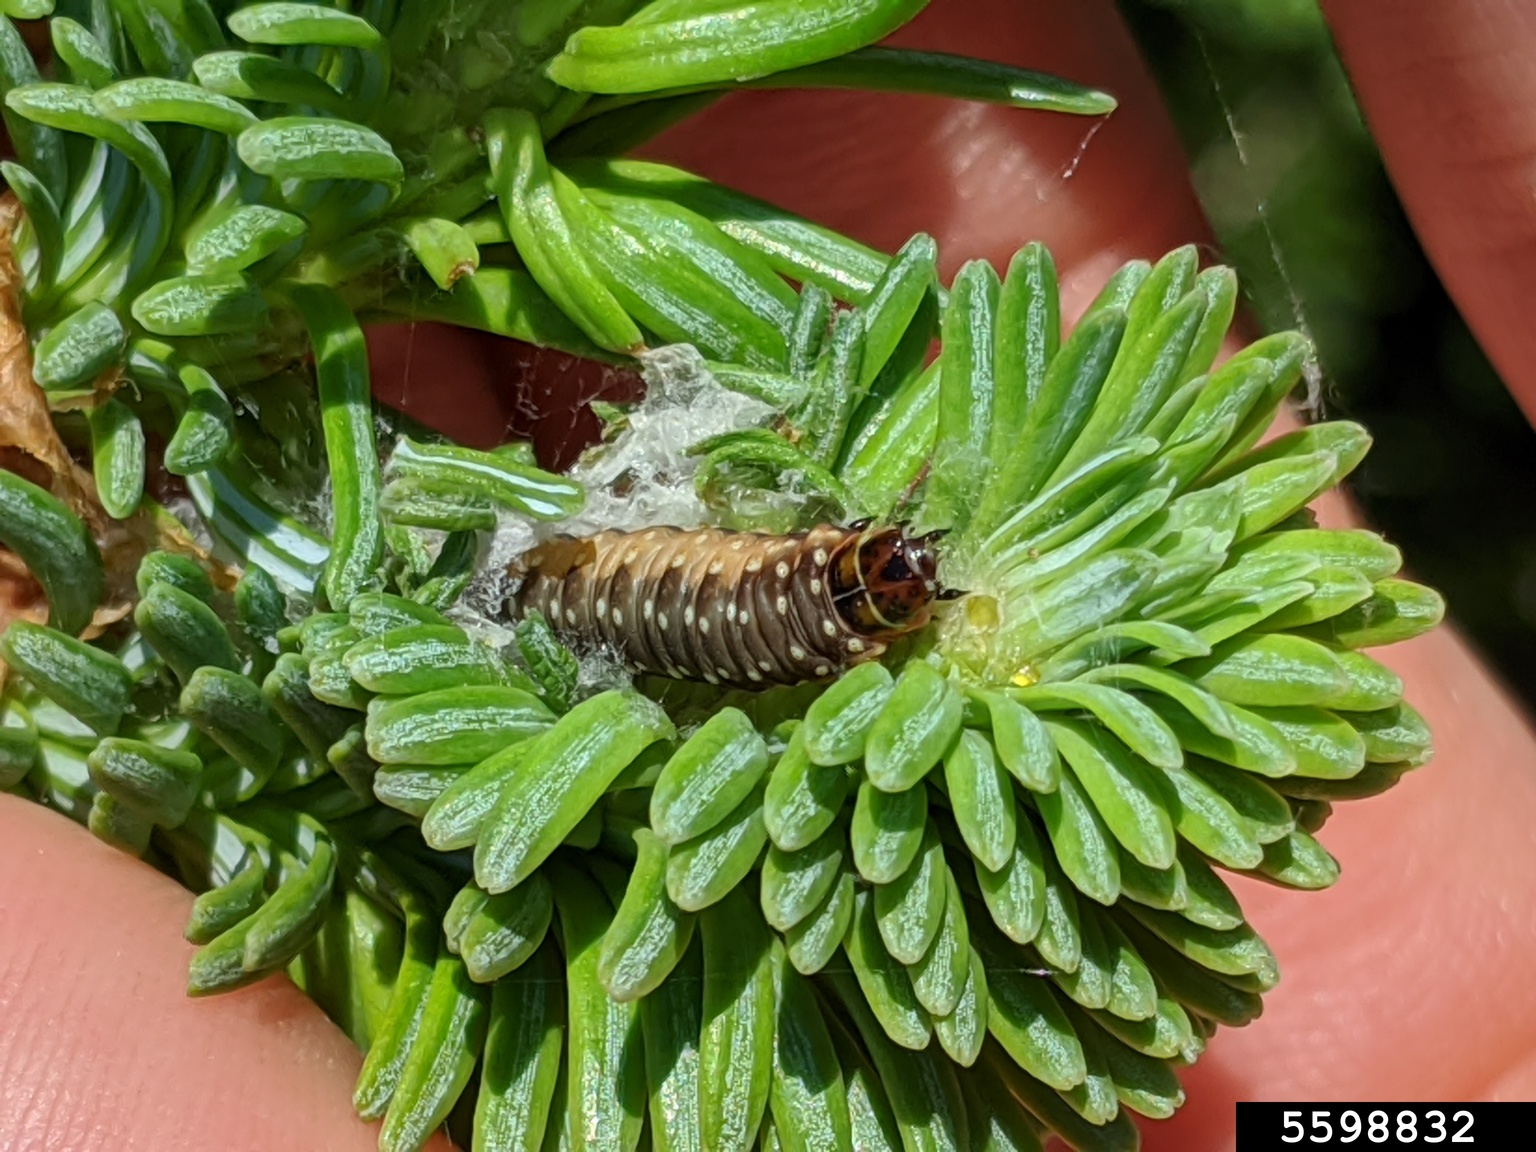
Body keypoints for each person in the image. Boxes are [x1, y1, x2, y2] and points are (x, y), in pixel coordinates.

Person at [3, 2, 1533, 1147]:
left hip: (702, 608)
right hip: (659, 596)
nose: (881, 577)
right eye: (872, 573)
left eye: (875, 586)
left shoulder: (796, 608)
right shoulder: (741, 587)